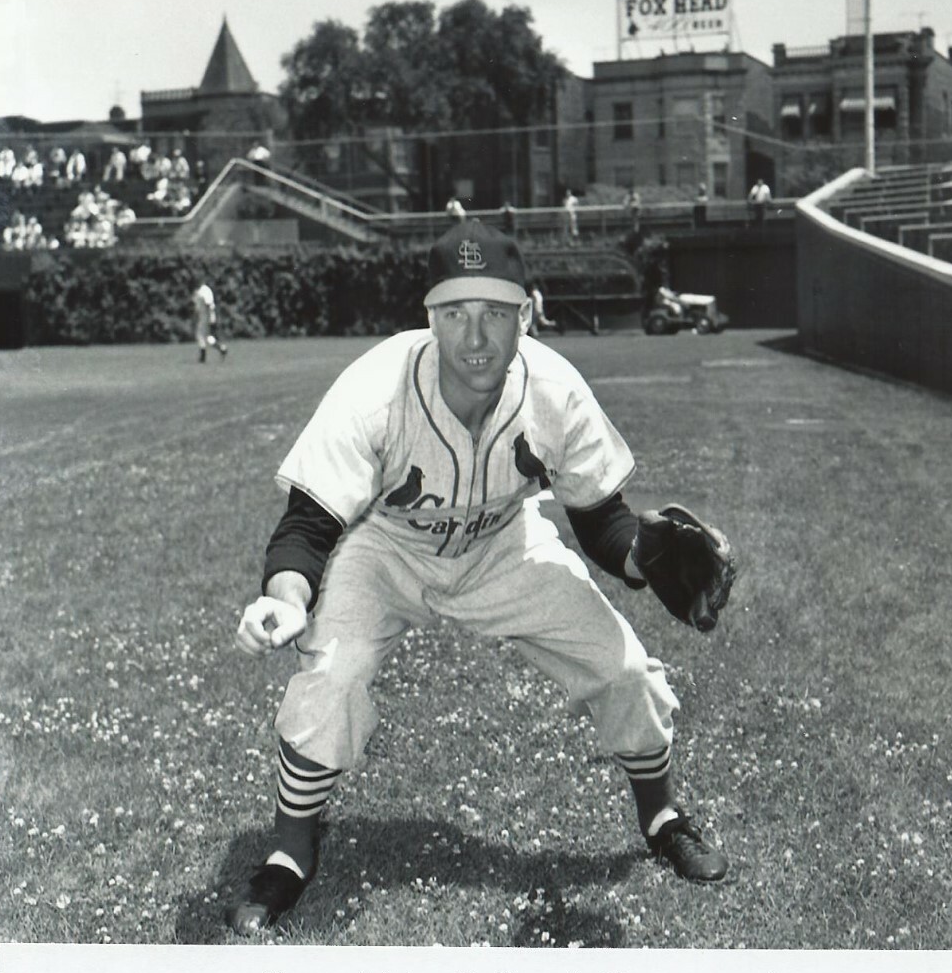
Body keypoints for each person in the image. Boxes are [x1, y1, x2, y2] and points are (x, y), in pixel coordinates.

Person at [229, 219, 730, 933]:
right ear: (428, 317)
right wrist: (284, 597)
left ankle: (664, 817)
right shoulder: (376, 387)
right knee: (330, 680)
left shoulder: (554, 388)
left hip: (505, 545)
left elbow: (601, 520)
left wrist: (644, 556)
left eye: (494, 313)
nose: (474, 337)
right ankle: (289, 848)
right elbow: (309, 527)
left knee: (624, 669)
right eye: (455, 313)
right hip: (389, 551)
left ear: (526, 312)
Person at [192, 281, 228, 361]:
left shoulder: (204, 290)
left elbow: (208, 304)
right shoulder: (198, 291)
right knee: (206, 336)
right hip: (202, 316)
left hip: (206, 316)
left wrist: (211, 317)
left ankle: (203, 355)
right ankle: (221, 349)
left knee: (200, 335)